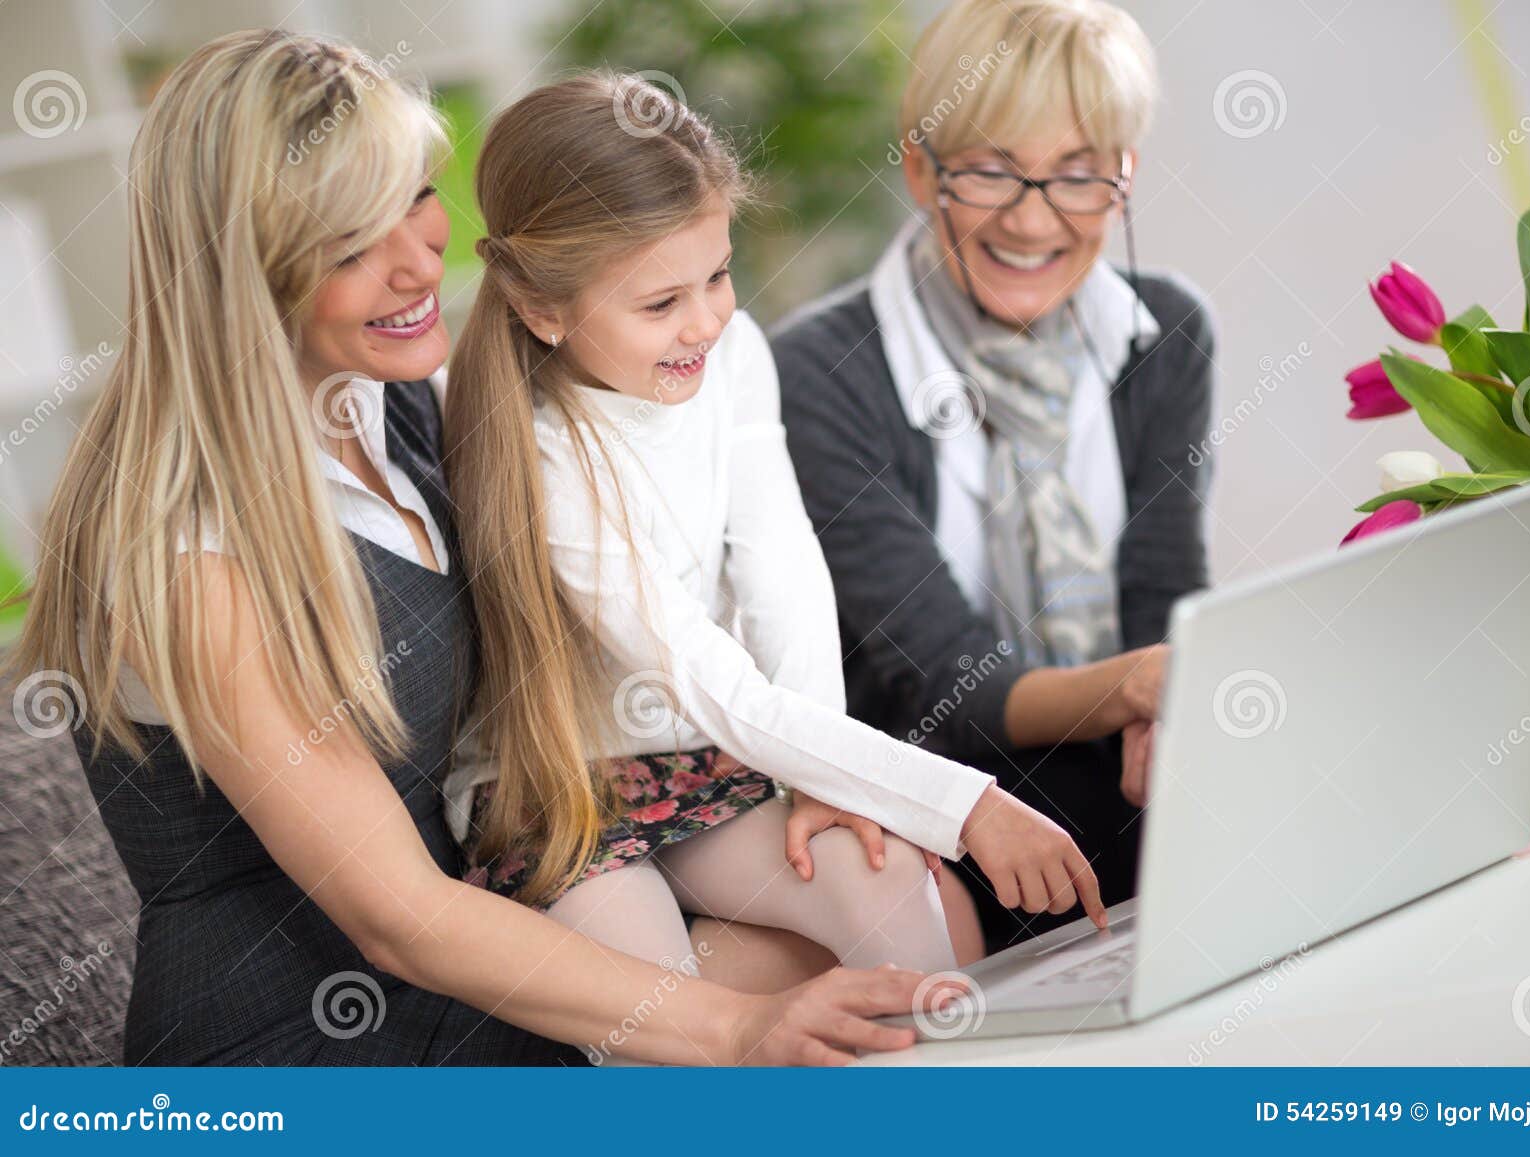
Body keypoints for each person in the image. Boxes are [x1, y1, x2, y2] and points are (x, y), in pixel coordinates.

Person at [3, 30, 958, 1067]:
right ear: (246, 276)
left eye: (415, 195)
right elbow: (398, 915)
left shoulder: (397, 404)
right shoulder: (187, 546)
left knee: (900, 923)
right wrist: (734, 1023)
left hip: (486, 932)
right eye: (351, 244)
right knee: (835, 998)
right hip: (322, 1035)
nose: (424, 260)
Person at [439, 72, 1109, 1019]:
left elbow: (783, 570)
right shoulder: (546, 450)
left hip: (711, 756)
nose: (706, 319)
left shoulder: (735, 354)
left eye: (717, 274)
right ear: (545, 310)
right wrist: (966, 805)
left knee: (886, 888)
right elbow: (713, 677)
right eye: (661, 301)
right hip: (558, 791)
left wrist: (825, 777)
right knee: (663, 1005)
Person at [770, 0, 1217, 958]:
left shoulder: (1165, 335)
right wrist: (1140, 685)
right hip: (940, 801)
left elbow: (1165, 600)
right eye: (989, 172)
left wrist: (1163, 707)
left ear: (1124, 175)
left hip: (1129, 778)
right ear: (922, 166)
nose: (1031, 218)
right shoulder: (821, 372)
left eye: (1078, 176)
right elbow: (944, 683)